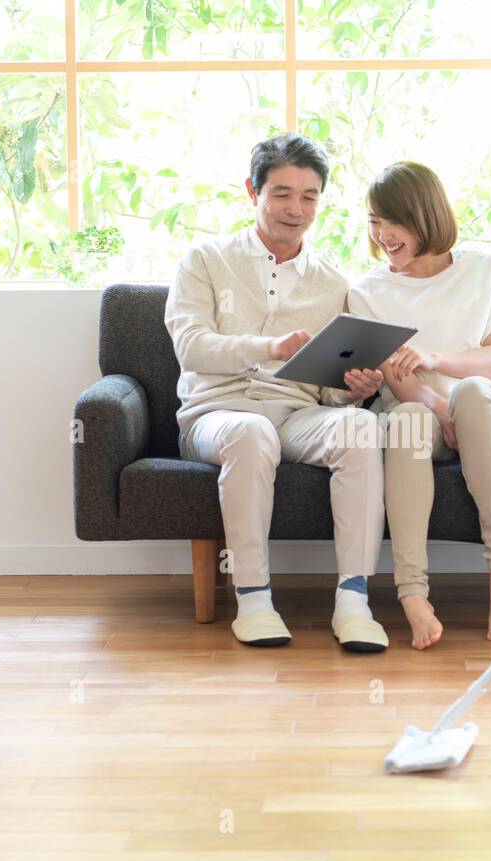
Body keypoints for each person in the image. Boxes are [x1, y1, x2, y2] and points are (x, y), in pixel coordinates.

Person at [164, 133, 390, 652]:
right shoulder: (205, 260)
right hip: (217, 414)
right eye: (283, 193)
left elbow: (325, 390)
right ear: (253, 191)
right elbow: (192, 347)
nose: (297, 209)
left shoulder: (335, 283)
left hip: (296, 414)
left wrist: (353, 390)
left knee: (360, 425)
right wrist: (269, 346)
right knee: (250, 431)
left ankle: (354, 602)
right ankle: (254, 600)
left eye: (310, 196)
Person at [347, 161, 491, 650]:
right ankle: (411, 593)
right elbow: (399, 382)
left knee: (471, 392)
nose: (382, 234)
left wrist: (438, 360)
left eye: (392, 221)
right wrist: (441, 411)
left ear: (425, 215)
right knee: (403, 418)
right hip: (426, 415)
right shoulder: (365, 292)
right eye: (373, 221)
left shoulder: (486, 268)